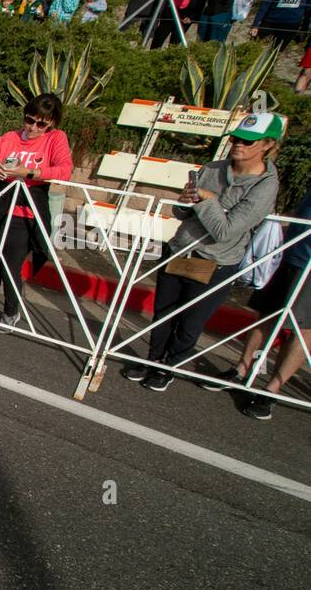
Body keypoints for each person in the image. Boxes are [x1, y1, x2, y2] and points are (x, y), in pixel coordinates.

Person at [122, 113, 281, 391]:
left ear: (268, 144)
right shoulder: (212, 168)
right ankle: (153, 360)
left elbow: (225, 231)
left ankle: (170, 367)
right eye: (236, 138)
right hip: (180, 249)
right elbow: (180, 212)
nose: (238, 144)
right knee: (163, 313)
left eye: (248, 141)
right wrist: (184, 201)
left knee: (191, 321)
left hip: (216, 261)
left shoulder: (265, 185)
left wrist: (207, 199)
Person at [0, 93, 73, 334]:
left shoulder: (56, 138)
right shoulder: (10, 137)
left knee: (10, 265)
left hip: (26, 213)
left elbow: (65, 170)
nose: (33, 127)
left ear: (52, 123)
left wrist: (30, 172)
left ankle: (11, 311)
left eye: (41, 124)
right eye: (29, 120)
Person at [202, 187, 311, 419]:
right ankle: (243, 370)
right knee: (267, 316)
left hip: (308, 266)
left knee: (303, 329)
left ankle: (271, 390)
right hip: (289, 254)